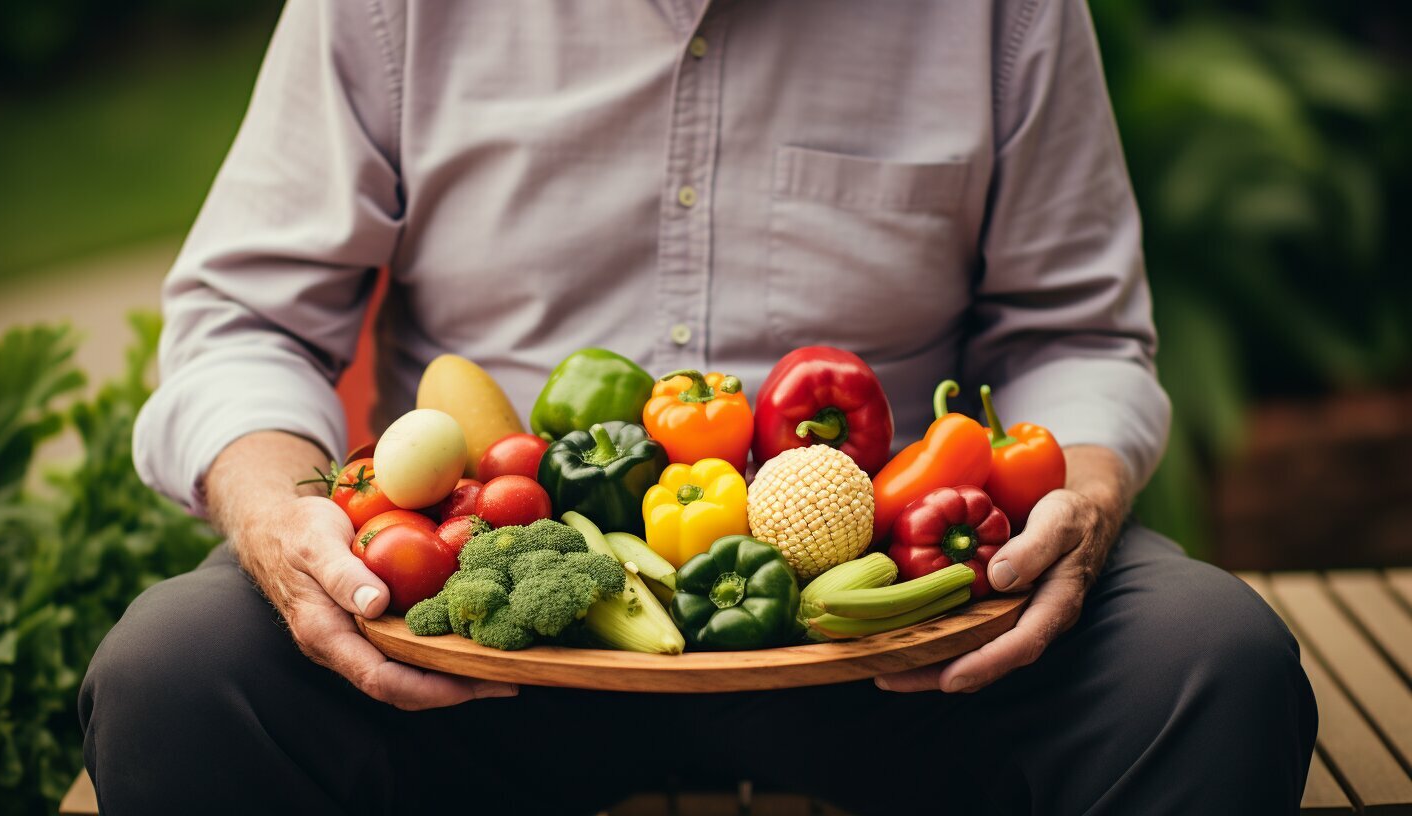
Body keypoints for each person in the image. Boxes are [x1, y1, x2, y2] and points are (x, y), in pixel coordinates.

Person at [79, 1, 1317, 813]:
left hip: (901, 636)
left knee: (1211, 665)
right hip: (480, 631)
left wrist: (1082, 502)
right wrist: (280, 523)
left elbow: (1074, 330)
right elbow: (245, 319)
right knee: (177, 676)